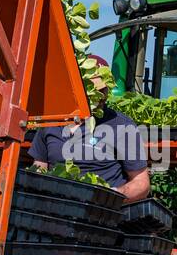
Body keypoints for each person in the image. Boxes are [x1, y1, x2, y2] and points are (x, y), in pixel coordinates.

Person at [28, 59, 149, 200]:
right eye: (95, 91)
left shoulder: (122, 125)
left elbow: (142, 183)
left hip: (102, 213)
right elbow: (39, 168)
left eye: (104, 89)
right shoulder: (53, 121)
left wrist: (112, 196)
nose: (102, 96)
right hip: (57, 207)